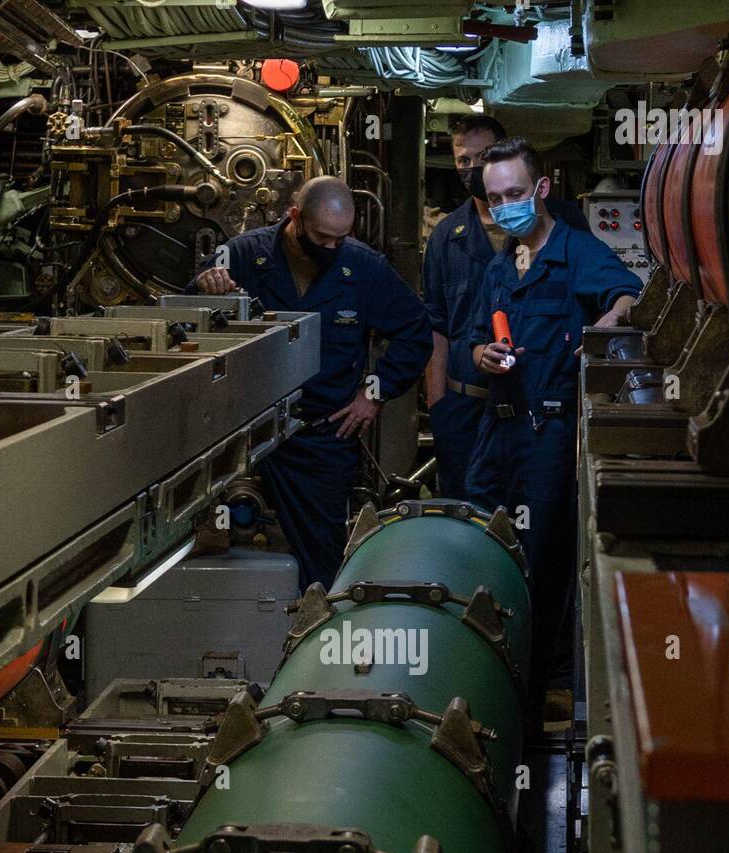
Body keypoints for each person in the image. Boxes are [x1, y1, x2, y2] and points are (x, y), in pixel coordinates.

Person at [466, 136, 642, 720]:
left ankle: (536, 690)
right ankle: (491, 677)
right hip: (498, 431)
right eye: (495, 199)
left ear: (541, 190)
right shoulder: (499, 264)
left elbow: (627, 294)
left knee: (540, 562)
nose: (505, 206)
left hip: (549, 433)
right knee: (484, 550)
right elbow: (472, 339)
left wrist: (607, 324)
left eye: (515, 193)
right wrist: (481, 356)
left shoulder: (576, 253)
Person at [189, 176, 432, 591]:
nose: (332, 248)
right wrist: (207, 289)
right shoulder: (245, 254)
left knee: (321, 564)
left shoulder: (364, 268)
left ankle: (314, 638)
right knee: (216, 556)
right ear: (295, 217)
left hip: (318, 437)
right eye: (323, 237)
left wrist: (372, 396)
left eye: (342, 238)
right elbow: (184, 323)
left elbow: (415, 332)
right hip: (240, 434)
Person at [422, 115, 590, 499]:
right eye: (463, 159)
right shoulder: (447, 235)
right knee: (465, 514)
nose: (472, 167)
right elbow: (436, 324)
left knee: (539, 513)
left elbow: (595, 300)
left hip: (540, 408)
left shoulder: (564, 223)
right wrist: (438, 404)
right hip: (466, 405)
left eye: (481, 156)